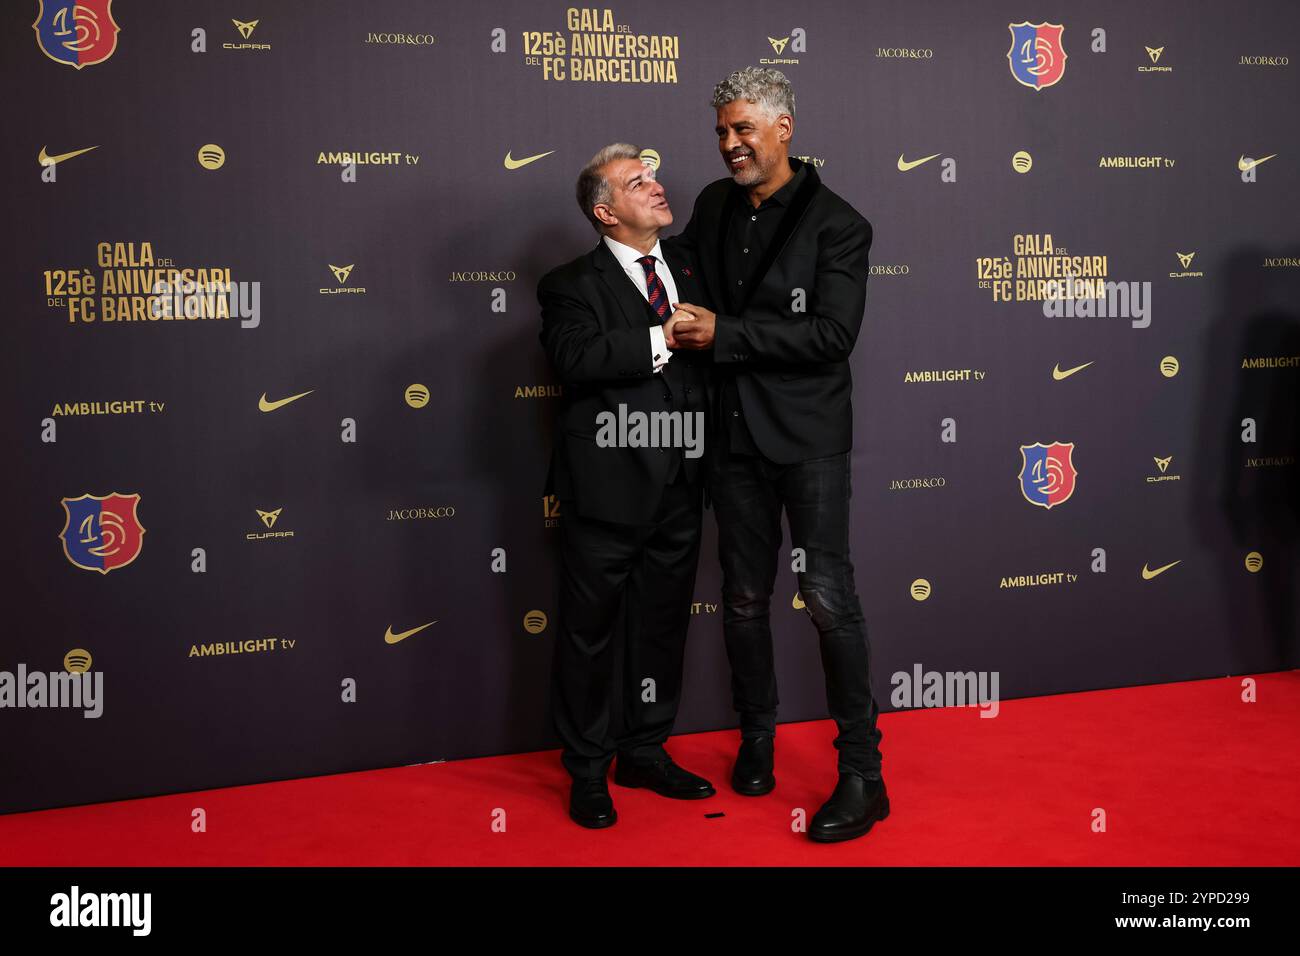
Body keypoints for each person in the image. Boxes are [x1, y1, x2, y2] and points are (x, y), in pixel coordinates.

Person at [670, 68, 888, 842]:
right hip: (732, 437)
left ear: (783, 128)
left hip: (810, 441)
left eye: (744, 130)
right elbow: (674, 274)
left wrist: (726, 335)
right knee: (742, 598)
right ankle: (756, 735)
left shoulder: (840, 224)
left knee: (827, 597)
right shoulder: (710, 204)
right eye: (722, 132)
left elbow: (833, 337)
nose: (730, 145)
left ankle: (863, 772)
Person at [538, 143, 714, 829]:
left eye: (655, 177)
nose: (656, 186)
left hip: (682, 483)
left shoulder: (694, 266)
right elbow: (575, 357)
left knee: (662, 628)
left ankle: (644, 750)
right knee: (588, 635)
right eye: (637, 182)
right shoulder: (569, 283)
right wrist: (661, 335)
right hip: (607, 491)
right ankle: (587, 768)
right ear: (606, 212)